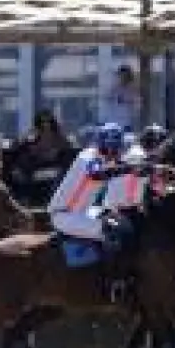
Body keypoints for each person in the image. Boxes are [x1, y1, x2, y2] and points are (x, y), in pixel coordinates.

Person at [49, 123, 137, 303]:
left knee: (121, 222)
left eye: (117, 149)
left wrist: (144, 167)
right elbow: (97, 173)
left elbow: (120, 167)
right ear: (104, 145)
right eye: (114, 148)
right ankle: (114, 285)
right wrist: (129, 168)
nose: (116, 153)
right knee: (112, 231)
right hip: (65, 215)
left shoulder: (103, 159)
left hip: (83, 212)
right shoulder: (88, 157)